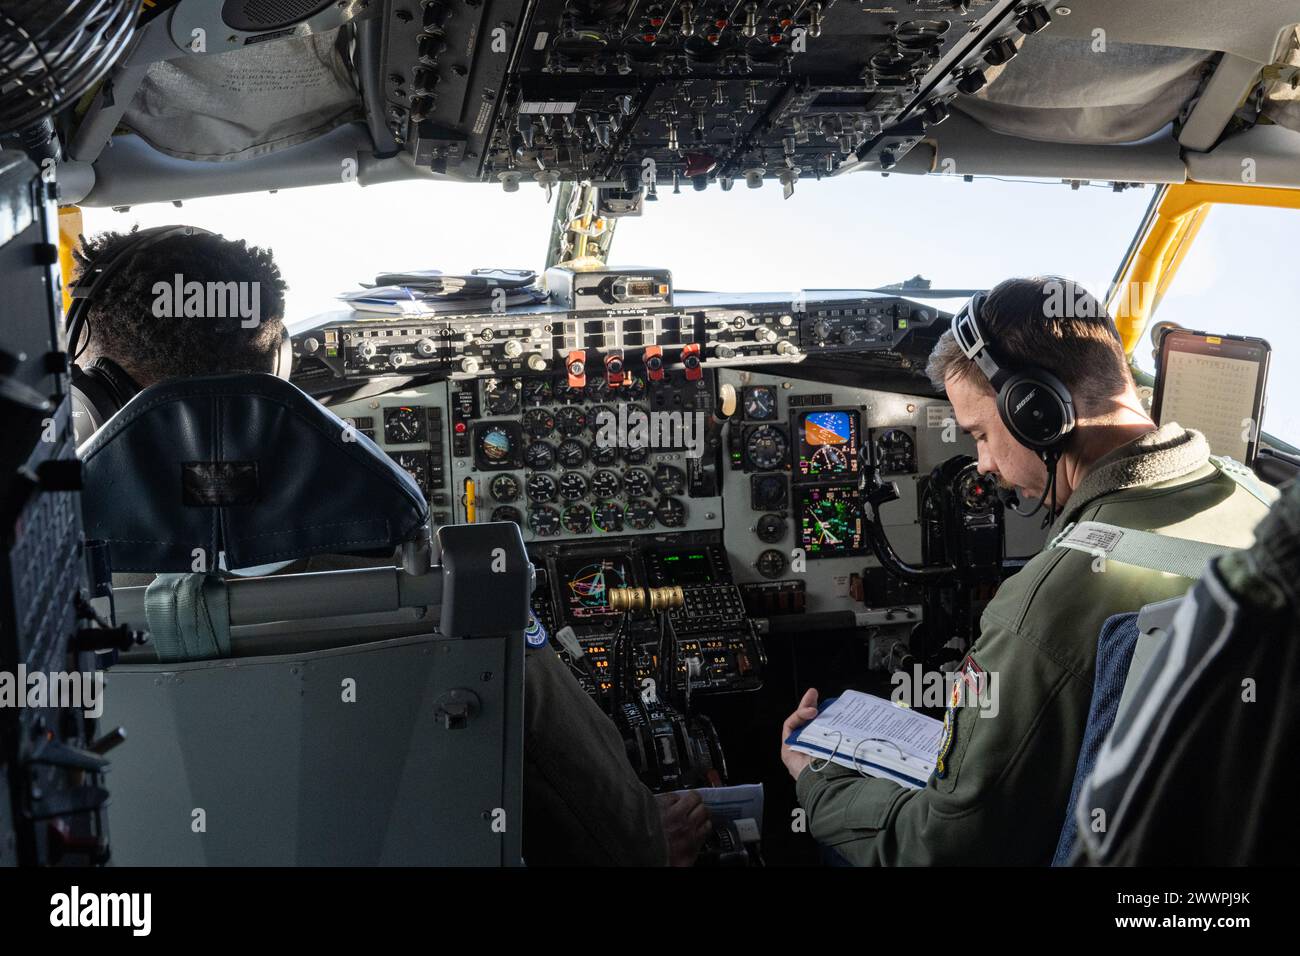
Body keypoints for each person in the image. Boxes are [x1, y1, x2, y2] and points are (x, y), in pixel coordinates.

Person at [73, 226, 707, 866]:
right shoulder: (437, 593)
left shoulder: (50, 616)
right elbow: (603, 818)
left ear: (98, 392)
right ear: (282, 371)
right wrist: (645, 835)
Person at [781, 276, 1277, 865]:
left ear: (1037, 411)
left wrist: (818, 783)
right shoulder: (1262, 500)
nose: (984, 464)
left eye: (981, 434)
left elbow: (944, 850)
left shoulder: (1045, 602)